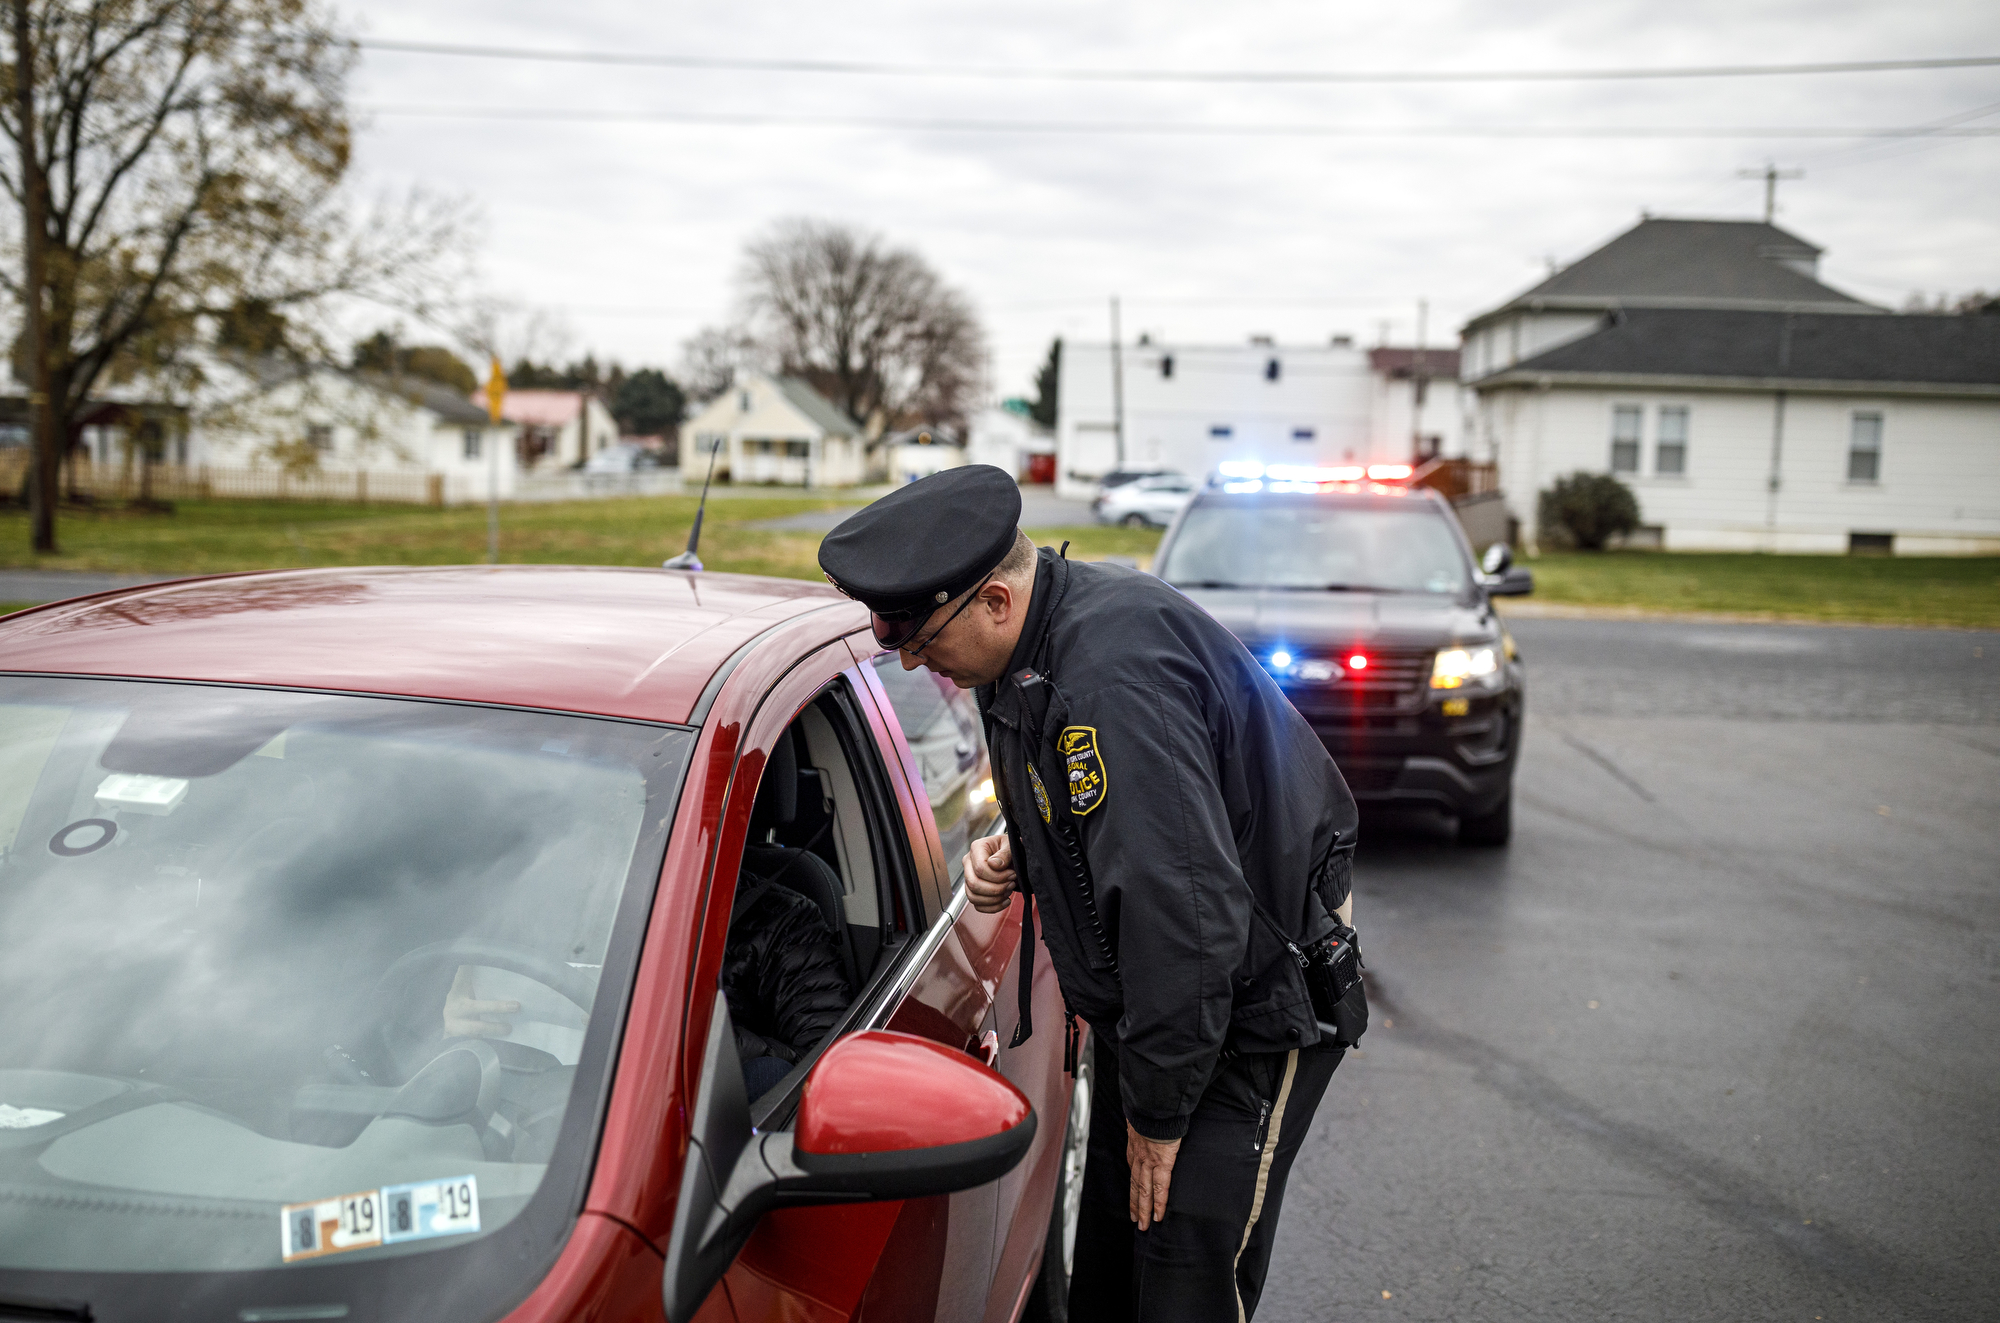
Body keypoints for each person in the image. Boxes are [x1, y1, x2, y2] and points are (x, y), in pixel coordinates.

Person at [819, 465, 1358, 1322]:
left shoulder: (1112, 684)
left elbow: (1185, 920)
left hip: (1247, 1011)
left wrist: (1160, 1114)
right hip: (1159, 1017)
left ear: (996, 600)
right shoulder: (1024, 652)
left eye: (924, 641)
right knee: (1114, 1270)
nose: (918, 663)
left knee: (1182, 1281)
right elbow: (1089, 806)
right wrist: (1021, 848)